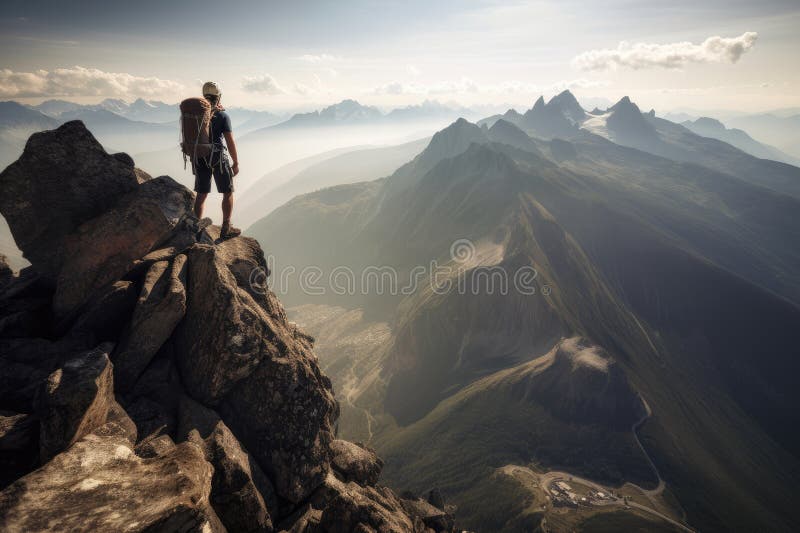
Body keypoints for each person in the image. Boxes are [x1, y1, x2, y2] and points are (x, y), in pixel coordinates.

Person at [193, 81, 241, 238]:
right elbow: (230, 141)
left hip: (199, 156)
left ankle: (195, 228)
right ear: (218, 97)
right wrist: (236, 162)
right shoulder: (222, 115)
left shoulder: (195, 114)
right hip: (218, 158)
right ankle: (226, 227)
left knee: (201, 194)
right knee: (227, 192)